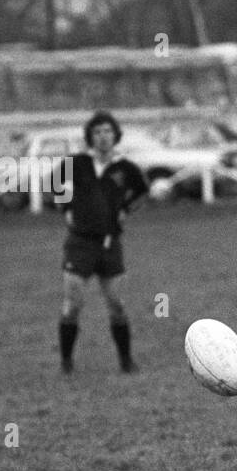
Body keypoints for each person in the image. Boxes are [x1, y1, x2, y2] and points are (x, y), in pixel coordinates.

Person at [58, 111, 149, 375]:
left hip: (110, 244)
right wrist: (66, 209)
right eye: (97, 132)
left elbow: (143, 190)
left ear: (115, 135)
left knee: (117, 305)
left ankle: (126, 360)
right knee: (72, 305)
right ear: (90, 137)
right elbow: (55, 183)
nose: (103, 136)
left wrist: (126, 209)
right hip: (80, 243)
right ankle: (66, 362)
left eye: (107, 131)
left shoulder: (126, 169)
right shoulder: (75, 164)